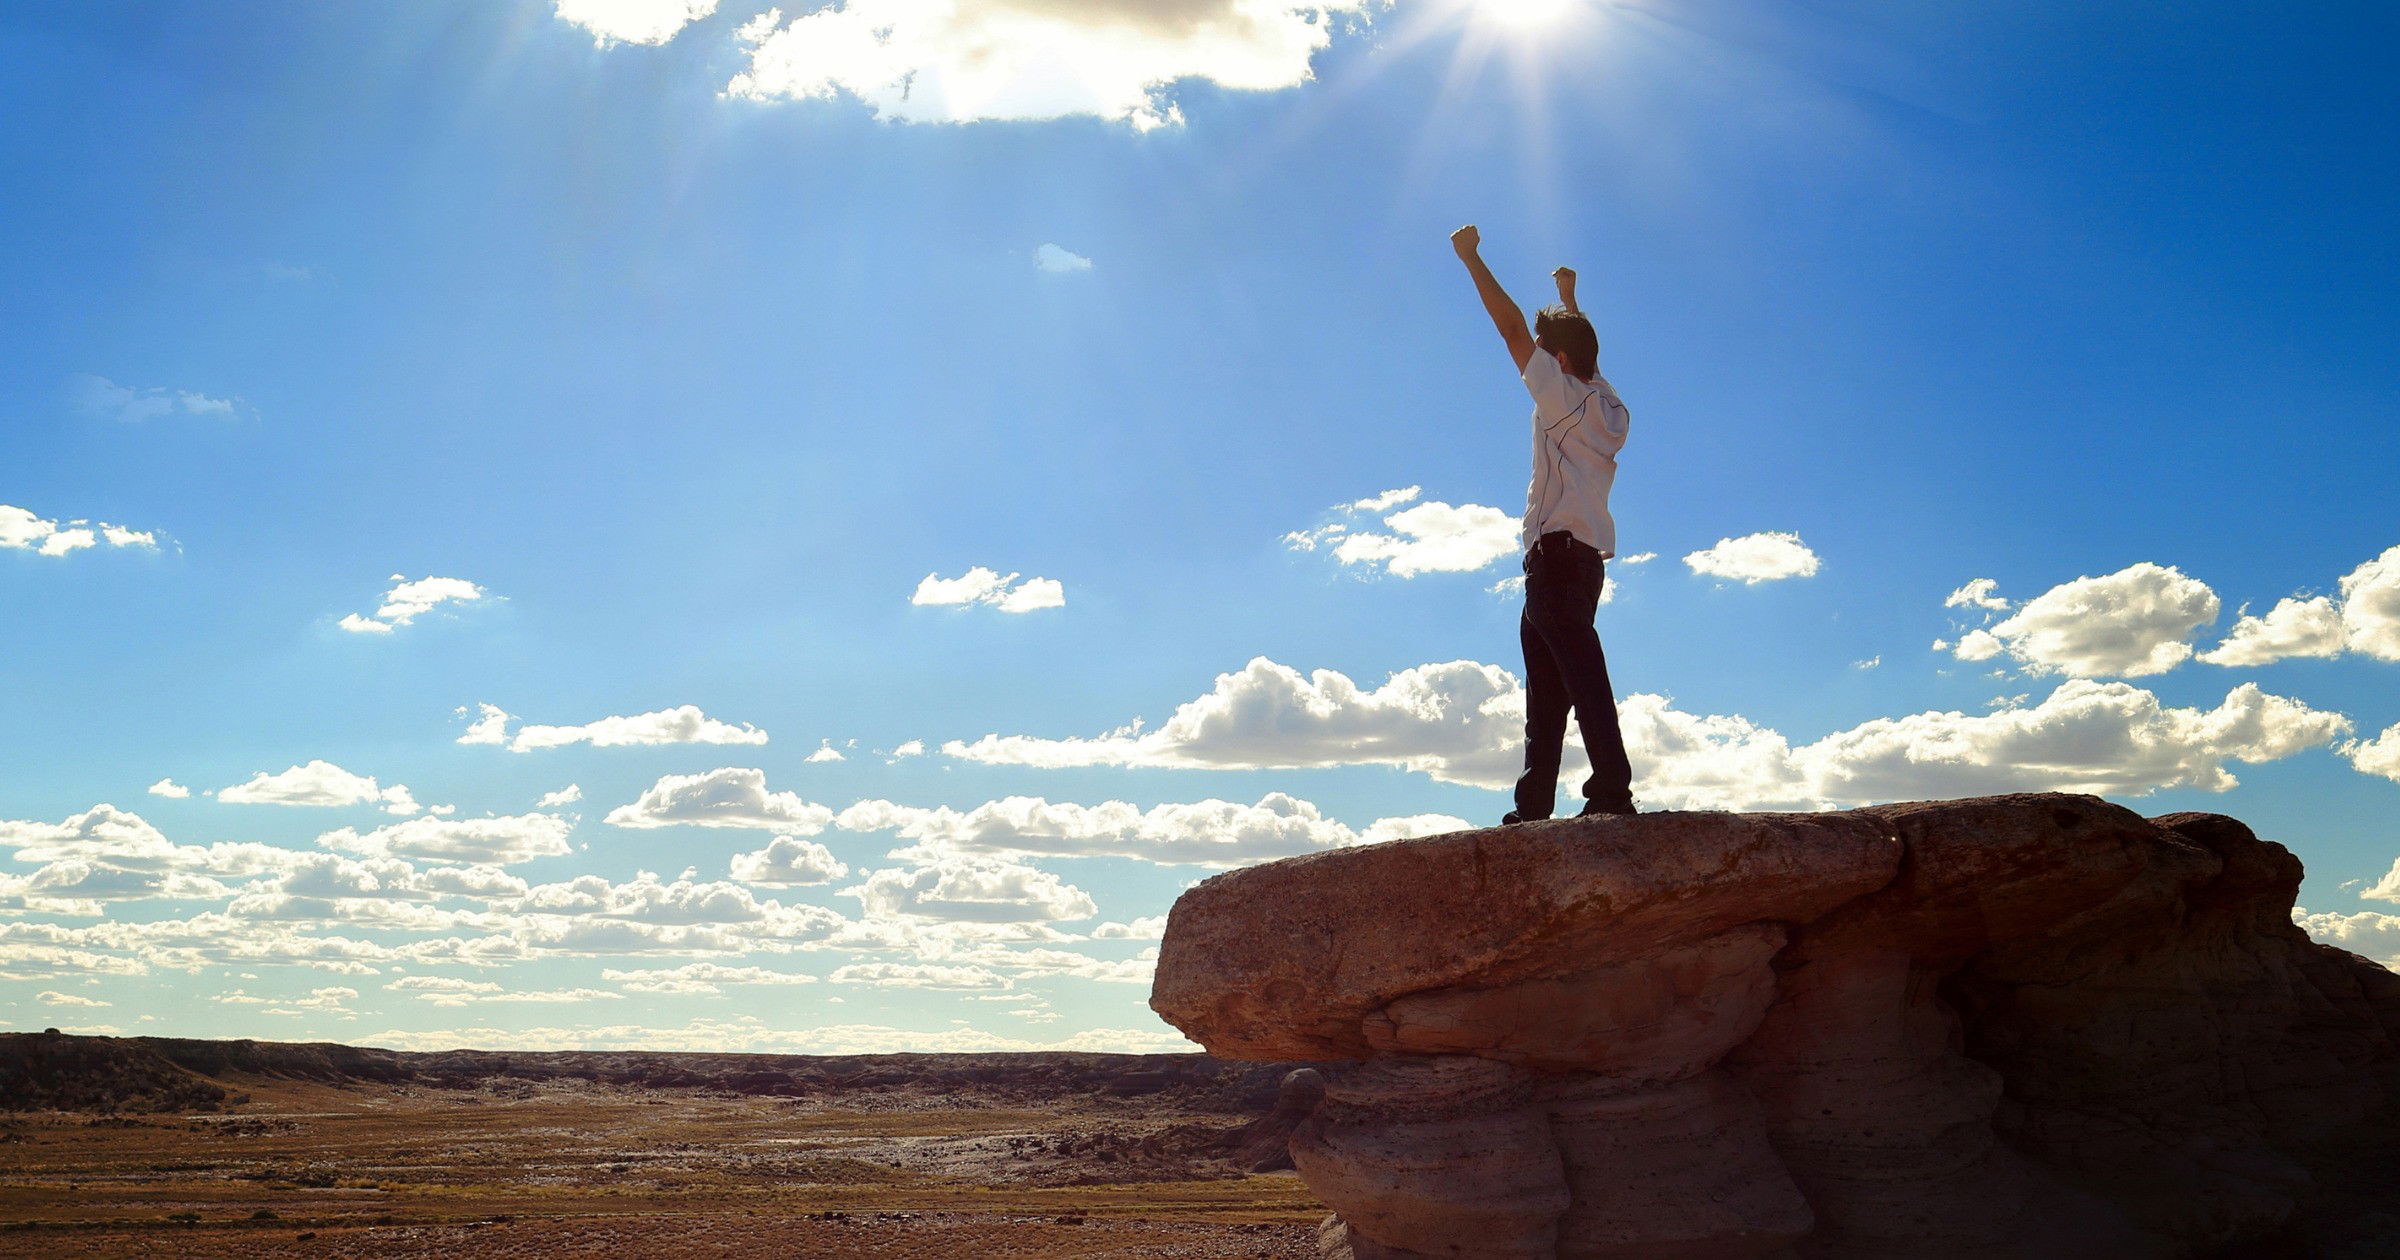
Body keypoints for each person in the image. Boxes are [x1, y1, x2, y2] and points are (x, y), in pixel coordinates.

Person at [1449, 223, 1637, 822]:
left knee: (1578, 682)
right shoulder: (1609, 406)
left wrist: (1472, 259)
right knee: (1550, 692)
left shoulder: (1561, 397)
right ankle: (1533, 805)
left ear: (1557, 363)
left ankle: (1612, 790)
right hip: (1580, 567)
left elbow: (1510, 331)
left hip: (1555, 562)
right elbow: (1586, 353)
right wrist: (1570, 300)